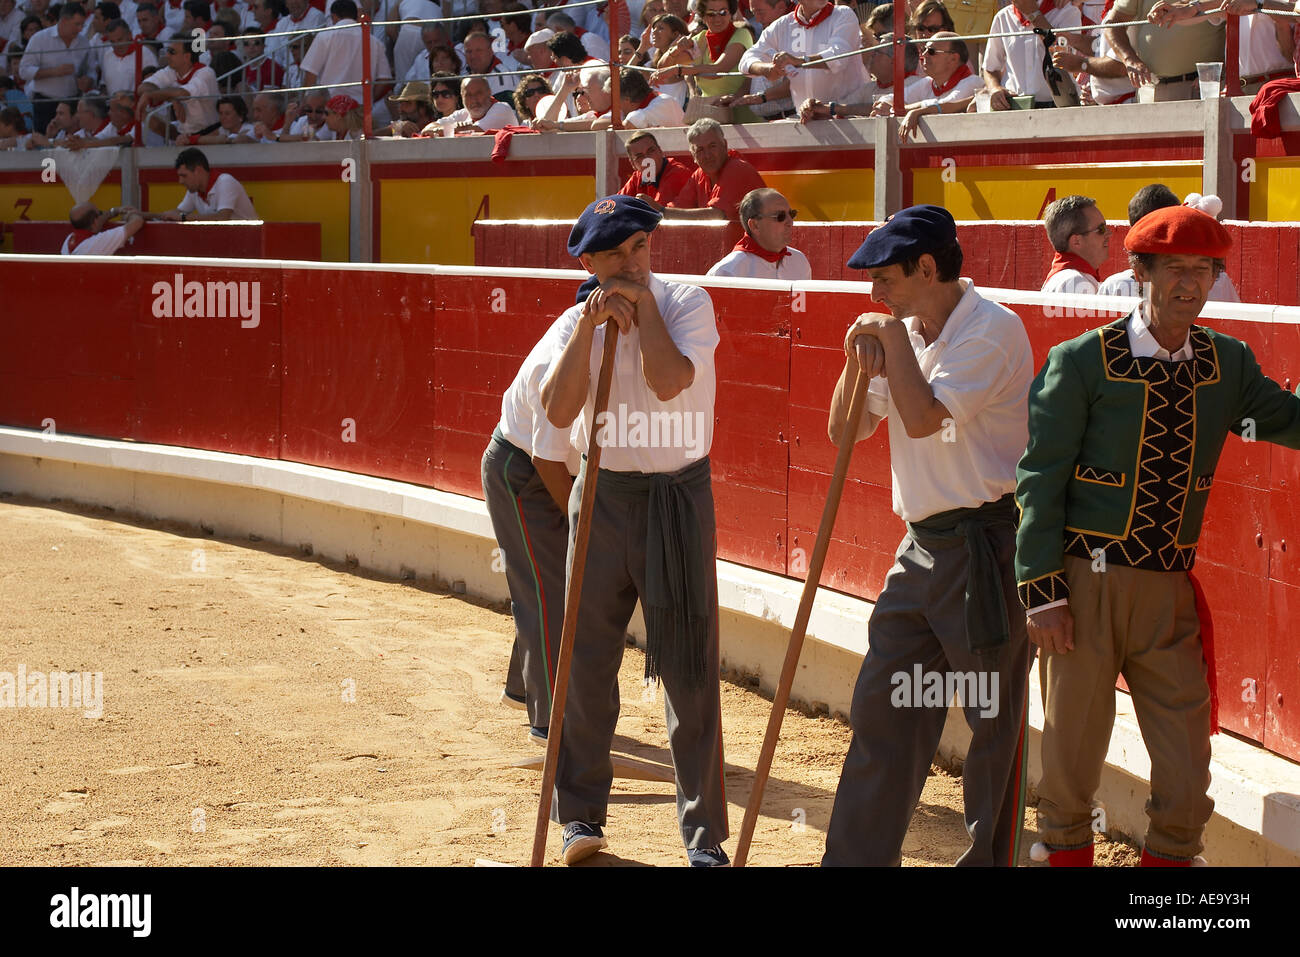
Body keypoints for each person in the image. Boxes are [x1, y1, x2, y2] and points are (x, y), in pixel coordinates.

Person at [1015, 204, 1300, 866]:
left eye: (1203, 271)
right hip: (1085, 587)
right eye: (1174, 269)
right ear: (1138, 272)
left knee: (1185, 777)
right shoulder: (1082, 360)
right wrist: (1042, 591)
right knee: (1068, 772)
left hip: (1168, 591)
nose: (1190, 285)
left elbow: (1287, 421)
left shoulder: (1227, 363)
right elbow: (1040, 479)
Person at [822, 204, 1035, 866]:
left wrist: (888, 338)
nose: (874, 294)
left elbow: (923, 420)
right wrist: (860, 362)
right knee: (885, 710)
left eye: (884, 279)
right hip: (920, 548)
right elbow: (845, 431)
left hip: (986, 548)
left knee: (992, 727)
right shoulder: (906, 330)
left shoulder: (992, 331)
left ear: (926, 267)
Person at [538, 194, 728, 867]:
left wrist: (643, 310)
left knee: (689, 666)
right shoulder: (574, 322)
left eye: (640, 247)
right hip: (604, 492)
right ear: (588, 261)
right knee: (584, 662)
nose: (632, 262)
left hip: (676, 495)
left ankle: (705, 836)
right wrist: (590, 330)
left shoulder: (685, 302)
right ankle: (579, 819)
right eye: (616, 252)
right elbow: (558, 412)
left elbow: (671, 379)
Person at [481, 308, 577, 744]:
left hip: (554, 468)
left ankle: (524, 689)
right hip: (521, 471)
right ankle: (551, 723)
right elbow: (546, 459)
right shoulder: (556, 367)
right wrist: (582, 524)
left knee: (551, 583)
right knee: (548, 589)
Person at [1100, 185, 1240, 302]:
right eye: (1173, 268)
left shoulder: (1114, 286)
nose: (1189, 284)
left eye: (1201, 268)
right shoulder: (1218, 281)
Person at [739, 0, 869, 114]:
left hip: (849, 115)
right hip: (807, 118)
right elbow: (747, 59)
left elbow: (839, 57)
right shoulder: (782, 25)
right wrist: (766, 70)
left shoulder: (843, 14)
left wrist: (799, 61)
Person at [651, 118, 766, 233]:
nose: (707, 155)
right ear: (693, 156)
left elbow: (716, 215)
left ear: (724, 145)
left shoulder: (736, 167)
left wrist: (662, 212)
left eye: (712, 146)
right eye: (700, 150)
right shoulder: (699, 174)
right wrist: (650, 211)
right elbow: (678, 207)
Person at [1105, 0, 1222, 101]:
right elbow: (1112, 25)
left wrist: (1224, 69)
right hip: (1149, 88)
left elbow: (1232, 15)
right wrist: (1129, 60)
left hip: (1199, 87)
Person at [983, 0, 1086, 110]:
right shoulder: (1003, 17)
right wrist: (994, 88)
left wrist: (1033, 14)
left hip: (1056, 106)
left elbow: (1063, 57)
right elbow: (990, 68)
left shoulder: (1068, 12)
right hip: (1015, 105)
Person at [873, 31, 981, 135]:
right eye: (924, 49)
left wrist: (895, 109)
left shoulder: (973, 82)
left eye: (931, 51)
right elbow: (890, 98)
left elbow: (944, 105)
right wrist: (884, 105)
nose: (923, 55)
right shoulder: (927, 82)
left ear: (953, 58)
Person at [707, 186, 811, 280]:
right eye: (780, 216)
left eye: (792, 214)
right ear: (755, 225)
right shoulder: (728, 272)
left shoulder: (799, 261)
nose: (790, 222)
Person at [300, 0, 391, 103]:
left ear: (333, 16)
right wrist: (369, 100)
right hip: (360, 107)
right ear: (356, 16)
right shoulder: (375, 42)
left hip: (330, 106)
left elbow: (311, 73)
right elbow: (384, 79)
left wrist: (306, 104)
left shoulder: (324, 37)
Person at [19, 0, 89, 131]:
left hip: (72, 105)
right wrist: (54, 72)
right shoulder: (39, 39)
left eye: (82, 25)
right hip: (46, 104)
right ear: (63, 21)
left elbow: (89, 70)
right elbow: (24, 71)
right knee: (44, 147)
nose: (80, 29)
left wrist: (88, 80)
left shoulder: (83, 42)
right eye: (77, 24)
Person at [135, 31, 218, 140]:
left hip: (210, 135)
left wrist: (151, 95)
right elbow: (143, 87)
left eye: (172, 52)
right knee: (132, 105)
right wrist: (173, 99)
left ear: (187, 57)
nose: (167, 55)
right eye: (167, 51)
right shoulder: (170, 70)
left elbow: (183, 93)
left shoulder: (206, 72)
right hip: (184, 136)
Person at [145, 146, 258, 220]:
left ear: (198, 170)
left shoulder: (225, 182)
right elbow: (174, 214)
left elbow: (222, 218)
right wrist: (142, 215)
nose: (180, 181)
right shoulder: (194, 189)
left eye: (184, 176)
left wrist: (183, 218)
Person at [1041, 194, 1109, 296]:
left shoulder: (1070, 279)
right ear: (1076, 241)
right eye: (1101, 229)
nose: (1108, 233)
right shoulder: (1075, 283)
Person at [617, 130, 694, 204]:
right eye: (640, 156)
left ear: (660, 151)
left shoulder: (677, 173)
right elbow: (615, 205)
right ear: (633, 164)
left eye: (651, 151)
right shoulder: (638, 176)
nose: (647, 158)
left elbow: (657, 213)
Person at [431, 73, 516, 135]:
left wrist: (442, 129)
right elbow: (428, 128)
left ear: (489, 92)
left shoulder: (502, 108)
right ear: (462, 97)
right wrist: (455, 128)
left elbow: (475, 130)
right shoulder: (462, 114)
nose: (473, 99)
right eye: (468, 95)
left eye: (478, 93)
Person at [61, 199, 143, 253]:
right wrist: (130, 214)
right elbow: (137, 222)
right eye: (100, 212)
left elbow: (99, 218)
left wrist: (114, 211)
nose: (102, 215)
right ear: (95, 222)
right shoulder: (96, 243)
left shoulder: (69, 239)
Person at [613, 65, 684, 128]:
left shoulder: (663, 101)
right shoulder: (657, 99)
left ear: (627, 100)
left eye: (616, 102)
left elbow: (630, 122)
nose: (617, 107)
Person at [99, 16, 156, 93]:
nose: (117, 45)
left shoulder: (145, 54)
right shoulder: (107, 55)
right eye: (112, 42)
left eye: (120, 40)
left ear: (129, 35)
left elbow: (154, 86)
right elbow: (104, 84)